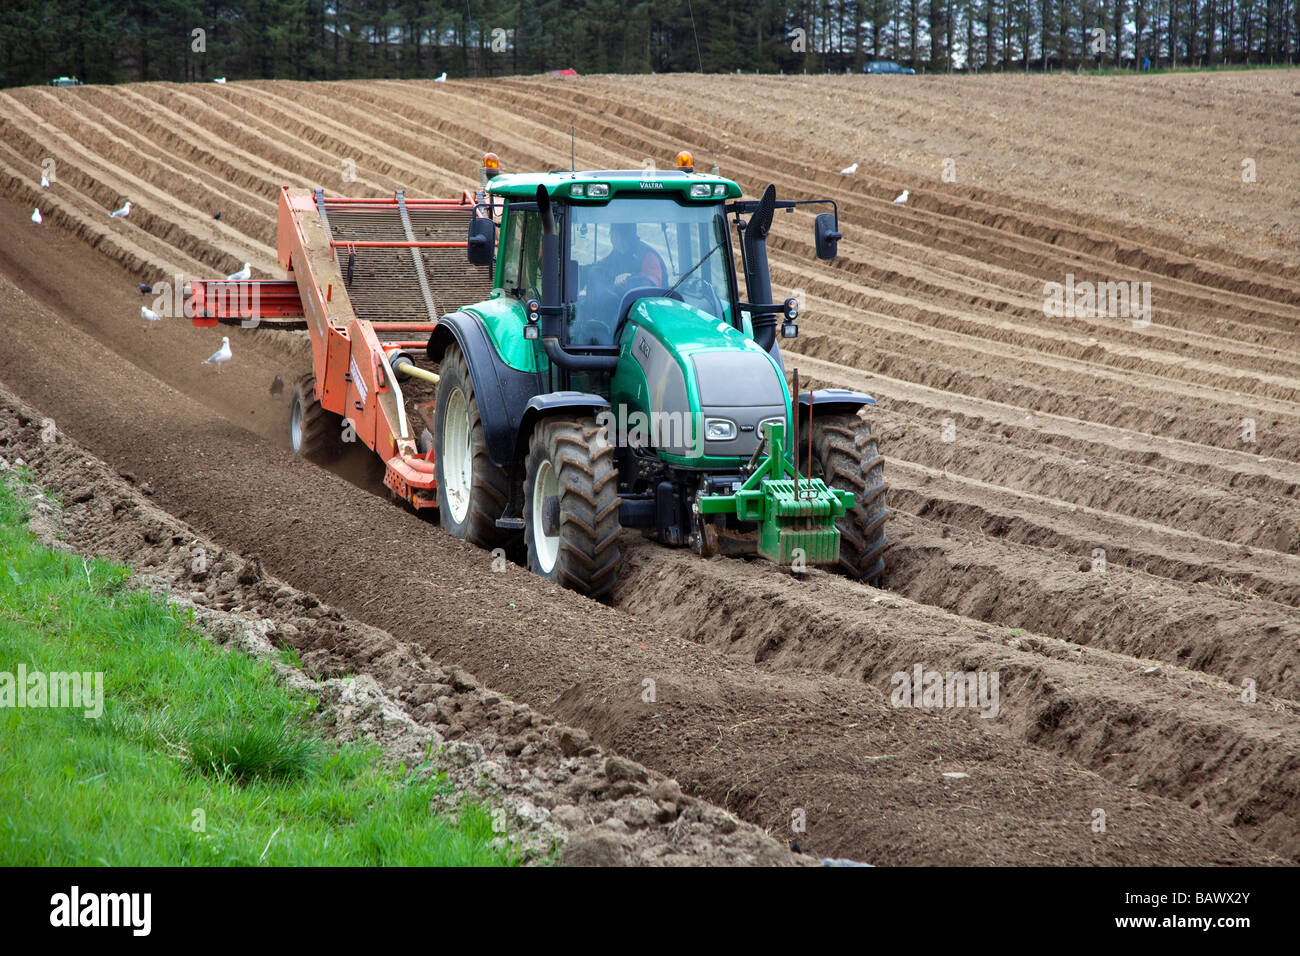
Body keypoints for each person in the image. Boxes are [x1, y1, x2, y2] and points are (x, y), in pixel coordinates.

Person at [599, 222, 666, 291]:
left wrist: (629, 279)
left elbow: (652, 284)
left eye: (612, 234)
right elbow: (600, 269)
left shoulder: (649, 256)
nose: (612, 238)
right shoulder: (611, 258)